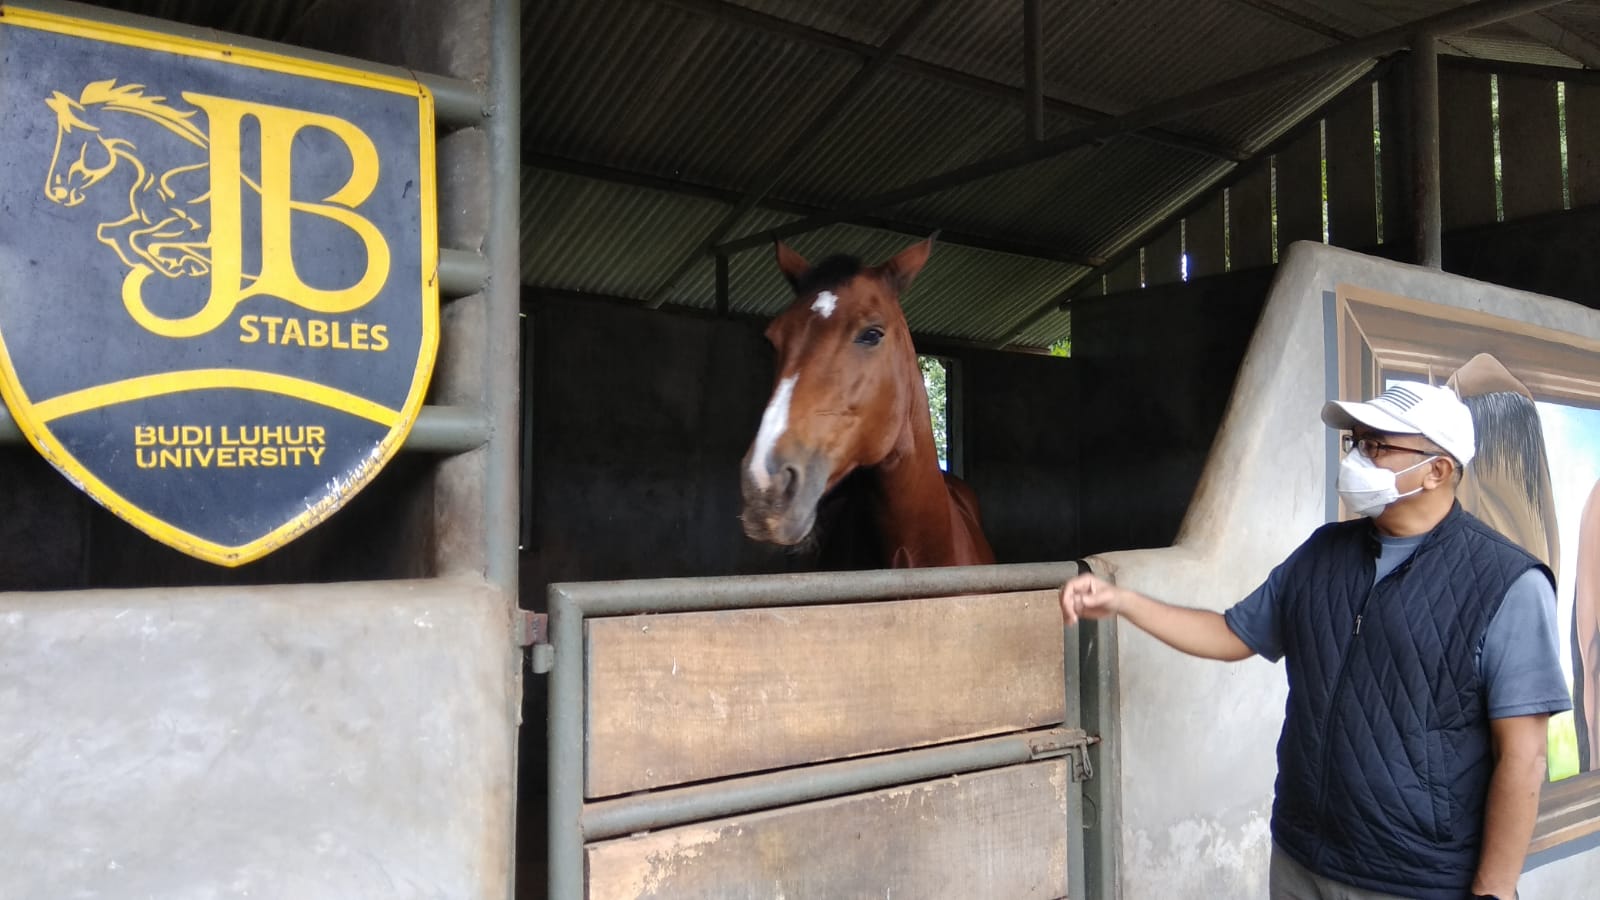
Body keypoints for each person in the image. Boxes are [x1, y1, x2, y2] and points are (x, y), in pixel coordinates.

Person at [1061, 382, 1570, 900]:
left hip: (1413, 879)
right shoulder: (1324, 553)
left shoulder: (1506, 582)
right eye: (1355, 442)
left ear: (1437, 470)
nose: (1356, 458)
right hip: (1302, 857)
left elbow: (1524, 756)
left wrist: (1495, 889)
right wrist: (1123, 602)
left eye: (1377, 446)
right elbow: (1232, 633)